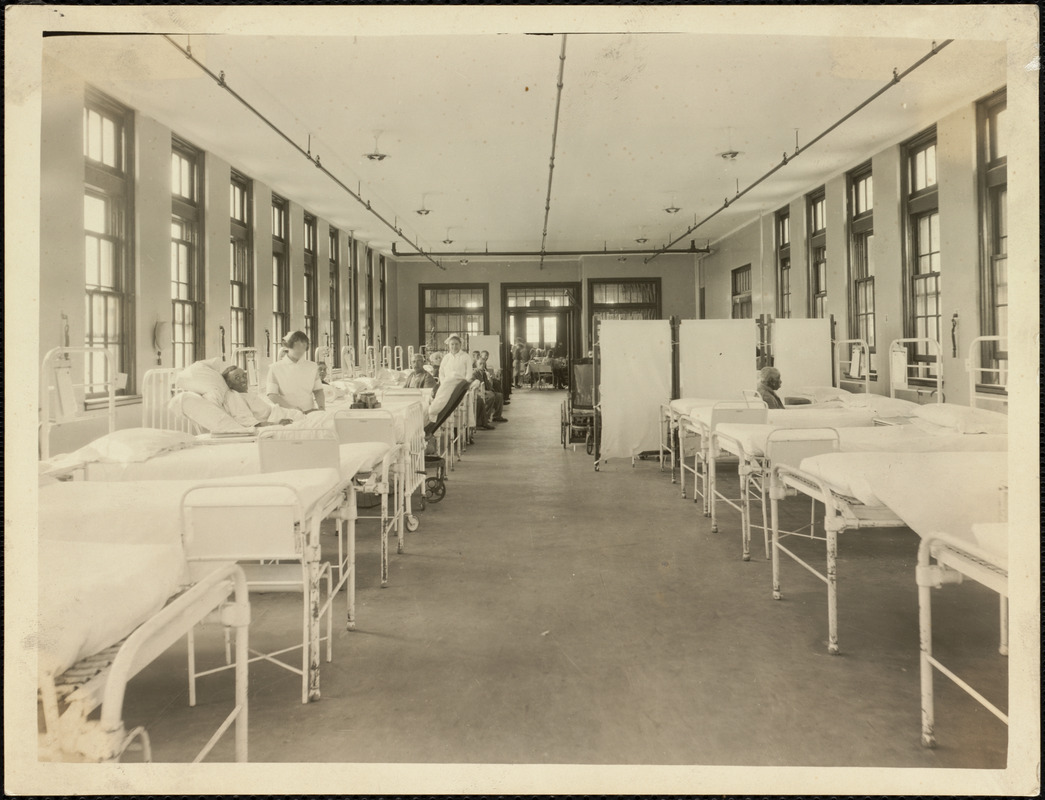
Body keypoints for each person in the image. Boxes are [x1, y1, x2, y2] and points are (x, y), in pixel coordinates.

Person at [265, 330, 325, 413]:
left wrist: (321, 407)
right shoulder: (275, 368)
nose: (302, 346)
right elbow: (272, 394)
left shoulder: (312, 366)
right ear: (289, 345)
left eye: (304, 343)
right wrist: (291, 408)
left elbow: (318, 390)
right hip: (287, 412)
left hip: (310, 411)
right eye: (298, 343)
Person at [220, 365, 300, 426]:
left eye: (244, 376)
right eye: (237, 378)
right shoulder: (234, 397)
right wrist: (277, 423)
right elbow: (250, 422)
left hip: (280, 413)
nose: (243, 379)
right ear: (229, 384)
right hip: (277, 418)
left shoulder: (244, 394)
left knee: (305, 415)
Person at [475, 355, 507, 423]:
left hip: (485, 391)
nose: (482, 365)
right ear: (476, 365)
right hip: (478, 392)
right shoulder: (474, 373)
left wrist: (489, 379)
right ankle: (485, 418)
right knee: (491, 396)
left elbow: (488, 386)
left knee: (499, 396)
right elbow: (475, 386)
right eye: (480, 364)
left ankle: (497, 416)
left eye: (484, 364)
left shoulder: (483, 373)